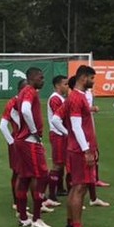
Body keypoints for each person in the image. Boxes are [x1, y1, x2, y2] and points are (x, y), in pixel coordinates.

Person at [13, 67, 51, 227]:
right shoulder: (30, 91)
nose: (43, 81)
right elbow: (25, 110)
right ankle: (36, 219)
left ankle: (23, 217)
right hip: (29, 141)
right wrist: (34, 131)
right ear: (32, 78)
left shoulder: (24, 92)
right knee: (41, 176)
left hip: (22, 140)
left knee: (25, 177)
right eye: (40, 78)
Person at [63, 67, 98, 227]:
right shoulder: (77, 97)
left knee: (75, 186)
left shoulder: (75, 97)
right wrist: (86, 150)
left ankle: (70, 225)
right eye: (92, 78)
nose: (93, 81)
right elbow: (76, 125)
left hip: (75, 148)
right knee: (80, 188)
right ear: (83, 78)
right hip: (79, 150)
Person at [0, 79, 24, 206]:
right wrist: (12, 142)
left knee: (30, 172)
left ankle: (38, 201)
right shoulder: (13, 103)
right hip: (18, 141)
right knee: (17, 171)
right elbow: (2, 125)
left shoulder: (28, 101)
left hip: (29, 141)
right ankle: (16, 202)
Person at [45, 75, 70, 209]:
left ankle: (59, 189)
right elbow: (59, 117)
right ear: (57, 86)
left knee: (62, 163)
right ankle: (51, 195)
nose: (67, 86)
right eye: (65, 84)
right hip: (58, 134)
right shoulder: (55, 99)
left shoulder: (61, 98)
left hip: (62, 133)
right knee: (57, 164)